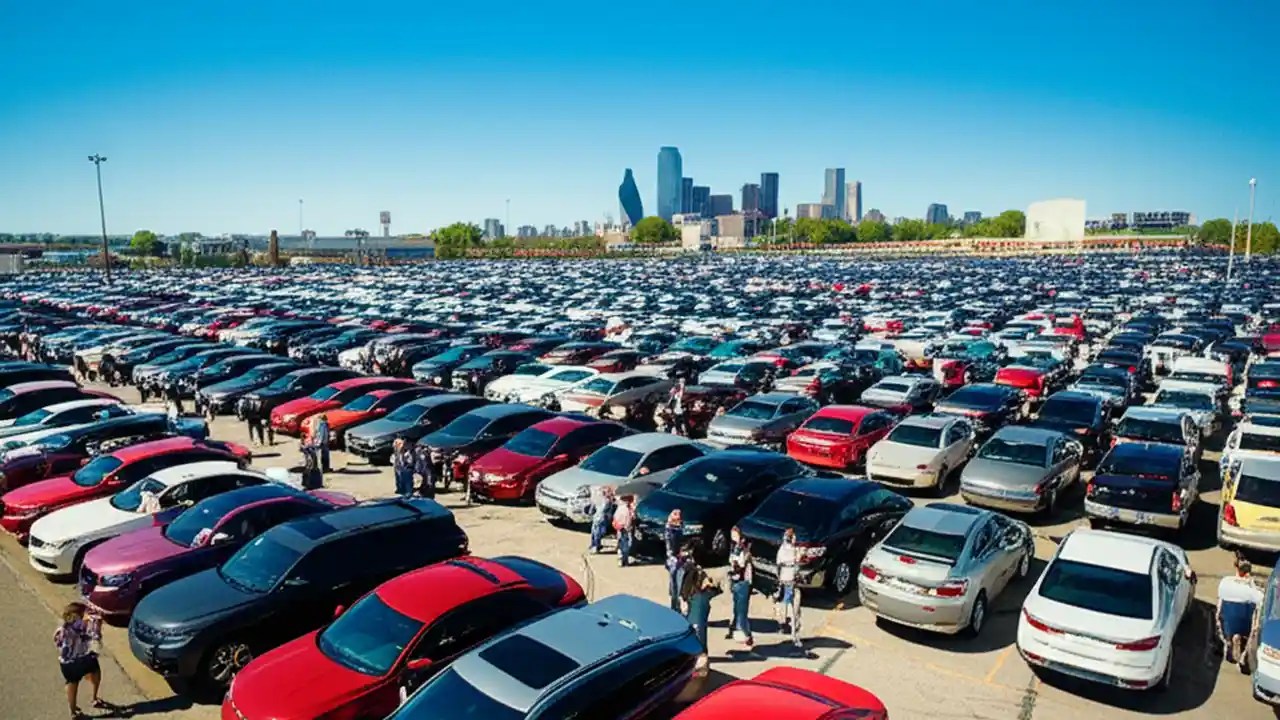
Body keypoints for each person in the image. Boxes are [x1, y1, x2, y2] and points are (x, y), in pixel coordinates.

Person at [54, 602, 112, 719]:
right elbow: (95, 639)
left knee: (72, 684)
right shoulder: (81, 627)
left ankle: (73, 711)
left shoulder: (62, 629)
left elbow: (58, 642)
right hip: (83, 658)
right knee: (95, 673)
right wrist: (97, 626)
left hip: (67, 663)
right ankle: (94, 698)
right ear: (76, 616)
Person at [1218, 555, 1264, 671]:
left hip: (1229, 623)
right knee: (1256, 619)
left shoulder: (1225, 582)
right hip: (1246, 624)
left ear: (1236, 568)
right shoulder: (1253, 590)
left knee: (1223, 611)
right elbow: (1261, 601)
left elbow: (1219, 608)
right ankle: (1245, 654)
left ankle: (1227, 641)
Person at [679, 542, 718, 657]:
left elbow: (686, 587)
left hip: (694, 601)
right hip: (691, 601)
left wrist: (683, 599)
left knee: (697, 630)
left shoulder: (693, 570)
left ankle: (698, 655)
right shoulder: (691, 570)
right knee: (695, 630)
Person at [726, 526, 755, 648]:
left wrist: (735, 565)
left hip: (743, 583)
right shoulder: (734, 548)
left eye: (735, 535)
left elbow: (742, 564)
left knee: (742, 612)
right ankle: (734, 630)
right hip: (735, 582)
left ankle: (748, 635)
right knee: (736, 608)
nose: (733, 538)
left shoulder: (744, 550)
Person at [775, 527, 803, 649]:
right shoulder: (785, 551)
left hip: (793, 584)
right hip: (786, 584)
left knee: (796, 611)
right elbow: (781, 564)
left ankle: (795, 635)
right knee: (786, 609)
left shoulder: (794, 550)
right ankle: (784, 626)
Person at [664, 509, 685, 612]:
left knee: (678, 583)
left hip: (678, 559)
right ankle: (675, 606)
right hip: (674, 560)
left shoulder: (679, 529)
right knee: (675, 584)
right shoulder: (670, 530)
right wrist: (673, 557)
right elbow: (669, 545)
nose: (679, 518)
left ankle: (676, 605)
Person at [588, 485, 616, 554]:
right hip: (602, 518)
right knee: (597, 532)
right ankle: (596, 545)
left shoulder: (599, 499)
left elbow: (592, 510)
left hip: (598, 517)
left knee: (595, 531)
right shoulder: (607, 501)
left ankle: (595, 545)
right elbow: (605, 510)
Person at [613, 494, 636, 567]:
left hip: (626, 528)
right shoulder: (622, 508)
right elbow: (616, 518)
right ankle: (622, 560)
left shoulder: (629, 508)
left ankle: (624, 560)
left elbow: (633, 517)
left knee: (625, 545)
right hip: (622, 528)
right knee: (623, 544)